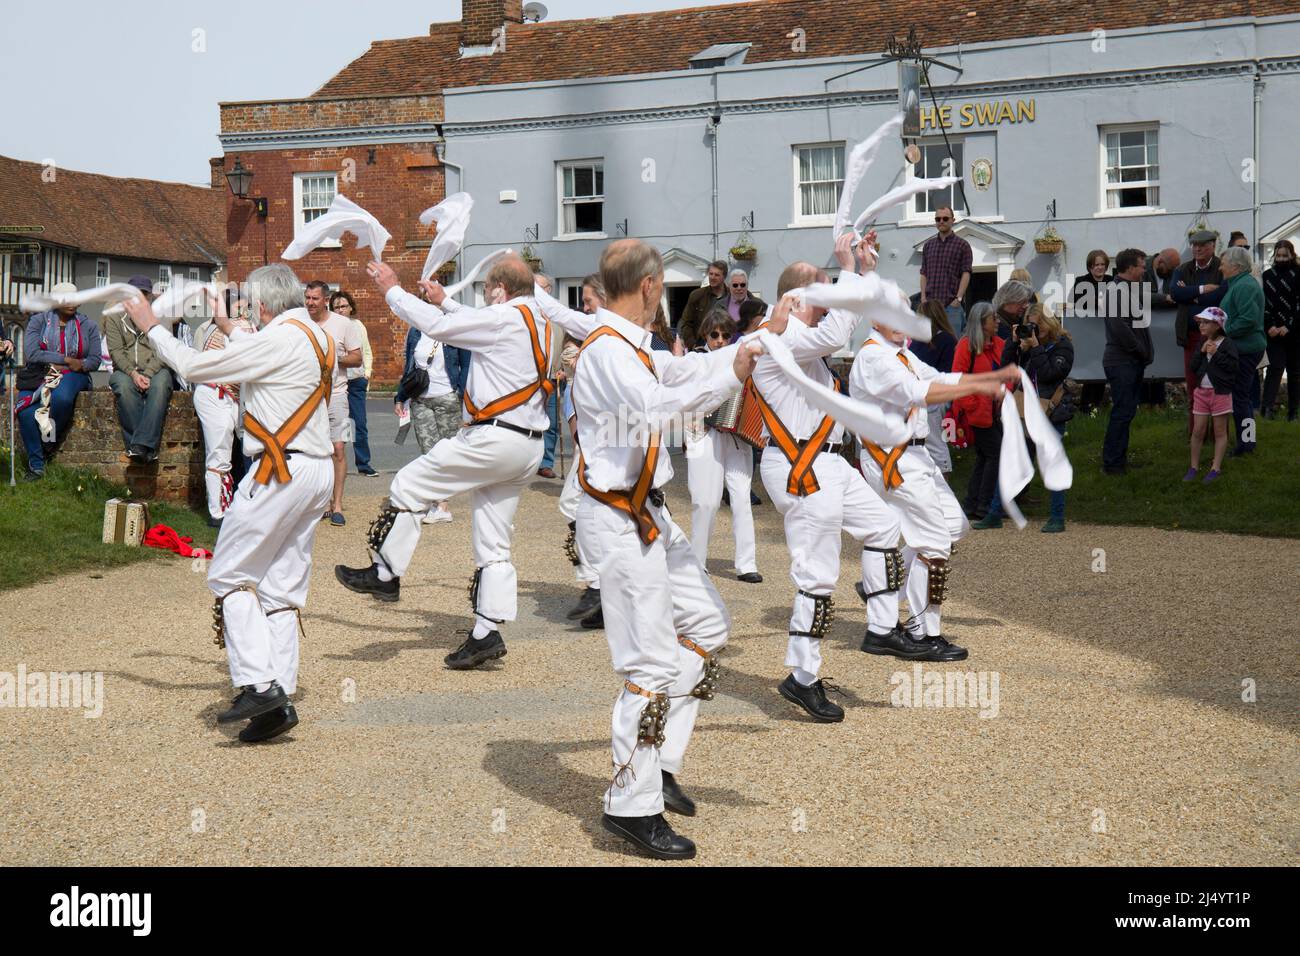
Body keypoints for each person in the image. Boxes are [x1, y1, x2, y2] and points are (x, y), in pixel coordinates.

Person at [570, 237, 759, 860]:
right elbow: (656, 410)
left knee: (706, 623)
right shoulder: (605, 352)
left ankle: (661, 764)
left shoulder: (632, 346)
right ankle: (630, 805)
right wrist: (728, 373)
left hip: (646, 512)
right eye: (663, 287)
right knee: (648, 666)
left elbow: (681, 372)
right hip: (618, 519)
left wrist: (748, 347)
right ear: (650, 285)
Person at [336, 255, 596, 670]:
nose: (487, 298)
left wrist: (391, 289)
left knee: (409, 484)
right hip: (526, 445)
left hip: (493, 438)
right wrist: (446, 301)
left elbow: (441, 328)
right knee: (494, 541)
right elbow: (474, 323)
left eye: (488, 291)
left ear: (500, 290)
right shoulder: (544, 322)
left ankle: (385, 573)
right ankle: (485, 632)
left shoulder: (502, 318)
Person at [123, 264, 334, 743]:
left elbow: (196, 368)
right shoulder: (315, 335)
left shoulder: (277, 339)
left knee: (229, 575)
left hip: (277, 470)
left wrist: (151, 326)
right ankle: (279, 693)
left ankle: (259, 685)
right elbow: (255, 347)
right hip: (314, 470)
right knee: (281, 587)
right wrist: (227, 326)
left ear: (261, 306)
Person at [752, 233, 915, 724]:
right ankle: (801, 678)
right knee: (817, 577)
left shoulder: (801, 339)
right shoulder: (778, 335)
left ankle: (882, 628)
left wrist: (863, 268)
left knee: (885, 529)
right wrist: (848, 268)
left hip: (827, 462)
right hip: (800, 467)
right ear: (798, 300)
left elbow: (840, 326)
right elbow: (836, 335)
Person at [852, 293, 1019, 662]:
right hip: (892, 458)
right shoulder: (873, 357)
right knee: (933, 544)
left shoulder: (900, 353)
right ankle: (923, 631)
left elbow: (938, 377)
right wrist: (980, 385)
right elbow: (920, 392)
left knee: (953, 526)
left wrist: (991, 376)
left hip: (915, 454)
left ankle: (883, 585)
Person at [684, 310, 760, 584]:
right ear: (705, 334)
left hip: (736, 434)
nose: (720, 340)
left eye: (726, 335)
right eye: (714, 334)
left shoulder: (742, 359)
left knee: (741, 497)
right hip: (702, 431)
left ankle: (746, 563)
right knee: (705, 500)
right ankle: (697, 560)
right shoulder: (695, 360)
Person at [991, 303, 1076, 532]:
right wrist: (1014, 341)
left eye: (1037, 326)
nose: (1033, 330)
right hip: (1025, 412)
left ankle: (1057, 518)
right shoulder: (1026, 344)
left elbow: (1049, 374)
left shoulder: (1063, 346)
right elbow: (1006, 365)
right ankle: (994, 514)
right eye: (1030, 326)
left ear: (1049, 323)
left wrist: (1036, 348)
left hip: (1051, 413)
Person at [556, 274, 606, 627]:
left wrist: (578, 371)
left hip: (606, 443)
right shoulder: (599, 338)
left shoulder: (607, 339)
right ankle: (601, 587)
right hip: (598, 440)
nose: (584, 308)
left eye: (588, 302)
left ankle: (601, 584)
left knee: (577, 503)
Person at [16, 284, 102, 480]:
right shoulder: (38, 321)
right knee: (26, 412)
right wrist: (65, 359)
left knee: (62, 398)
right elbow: (32, 353)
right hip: (39, 374)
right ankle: (36, 466)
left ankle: (47, 443)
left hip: (74, 375)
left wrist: (80, 364)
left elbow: (95, 360)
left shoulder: (88, 325)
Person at [193, 289, 257, 527]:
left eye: (246, 308)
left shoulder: (243, 327)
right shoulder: (219, 329)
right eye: (239, 308)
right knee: (218, 453)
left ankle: (231, 505)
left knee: (235, 452)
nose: (244, 313)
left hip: (231, 396)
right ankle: (217, 512)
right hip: (213, 392)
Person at [304, 281, 363, 525]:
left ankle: (337, 505)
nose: (309, 303)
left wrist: (332, 359)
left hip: (337, 394)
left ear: (325, 299)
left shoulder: (343, 324)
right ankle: (319, 502)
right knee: (312, 452)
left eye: (314, 298)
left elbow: (357, 358)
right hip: (307, 395)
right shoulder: (301, 323)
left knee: (338, 449)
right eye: (307, 298)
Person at [102, 274, 175, 464]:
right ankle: (145, 448)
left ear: (149, 297)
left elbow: (163, 350)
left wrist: (148, 374)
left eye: (143, 294)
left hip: (156, 368)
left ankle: (138, 446)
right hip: (126, 370)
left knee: (160, 386)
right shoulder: (114, 317)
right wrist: (133, 374)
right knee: (124, 387)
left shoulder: (161, 317)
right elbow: (116, 351)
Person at [399, 321, 461, 525]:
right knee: (428, 451)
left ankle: (442, 504)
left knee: (446, 451)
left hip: (447, 396)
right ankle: (438, 501)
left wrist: (463, 393)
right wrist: (400, 396)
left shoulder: (452, 328)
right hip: (420, 398)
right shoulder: (416, 331)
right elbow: (409, 364)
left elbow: (466, 363)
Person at [1100, 248, 1153, 475]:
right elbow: (1118, 326)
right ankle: (1112, 464)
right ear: (1130, 268)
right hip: (1122, 361)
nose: (1144, 270)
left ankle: (1118, 461)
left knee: (1126, 412)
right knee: (1122, 413)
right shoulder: (1115, 291)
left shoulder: (1126, 290)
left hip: (1129, 361)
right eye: (1142, 266)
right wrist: (1139, 349)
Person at [952, 302, 1005, 523]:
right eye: (994, 318)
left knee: (985, 456)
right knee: (994, 455)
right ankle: (982, 504)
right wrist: (971, 405)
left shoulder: (997, 344)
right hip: (978, 412)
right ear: (982, 323)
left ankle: (974, 503)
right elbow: (958, 378)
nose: (998, 321)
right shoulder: (966, 346)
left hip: (993, 411)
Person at [1171, 231, 1227, 428]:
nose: (1197, 249)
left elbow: (1219, 296)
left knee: (1218, 384)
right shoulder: (1182, 268)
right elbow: (1175, 293)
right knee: (1194, 384)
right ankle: (1196, 433)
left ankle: (1218, 433)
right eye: (1194, 245)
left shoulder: (1222, 267)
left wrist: (1191, 295)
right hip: (1191, 336)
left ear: (1213, 245)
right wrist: (1203, 290)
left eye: (1202, 245)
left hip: (1217, 337)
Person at [1217, 245, 1266, 456]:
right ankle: (1247, 443)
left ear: (1236, 267)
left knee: (1241, 398)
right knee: (1241, 397)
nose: (1220, 268)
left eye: (1223, 264)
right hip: (1242, 348)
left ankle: (1246, 445)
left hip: (1245, 349)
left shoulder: (1244, 285)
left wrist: (1222, 332)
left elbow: (1248, 320)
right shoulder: (1239, 283)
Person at [1184, 307, 1238, 483]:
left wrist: (1216, 355)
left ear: (1217, 325)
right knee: (1198, 430)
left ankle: (1216, 468)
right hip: (1201, 393)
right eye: (1200, 322)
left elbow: (1232, 368)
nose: (1201, 325)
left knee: (1220, 431)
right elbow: (1193, 367)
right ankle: (1193, 466)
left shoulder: (1228, 344)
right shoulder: (1201, 343)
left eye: (1206, 322)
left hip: (1220, 394)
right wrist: (1201, 353)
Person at [330, 290, 377, 478]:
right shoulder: (329, 327)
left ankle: (363, 463)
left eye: (343, 306)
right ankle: (340, 462)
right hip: (337, 381)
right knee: (341, 424)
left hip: (356, 380)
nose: (341, 310)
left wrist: (366, 374)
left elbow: (366, 351)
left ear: (350, 307)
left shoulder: (357, 325)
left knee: (359, 423)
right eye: (336, 307)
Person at [909, 300, 957, 475]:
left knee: (934, 442)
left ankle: (943, 476)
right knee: (931, 442)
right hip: (929, 395)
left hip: (934, 396)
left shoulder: (939, 340)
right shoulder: (937, 340)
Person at [919, 204, 971, 335]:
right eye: (938, 219)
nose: (941, 221)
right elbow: (924, 273)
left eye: (945, 218)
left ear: (953, 220)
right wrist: (923, 298)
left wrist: (958, 299)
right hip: (930, 306)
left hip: (951, 306)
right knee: (928, 344)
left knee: (953, 345)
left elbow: (966, 273)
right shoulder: (928, 246)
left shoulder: (962, 245)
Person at [1262, 240, 1299, 421]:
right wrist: (1270, 326)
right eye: (1279, 255)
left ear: (1292, 255)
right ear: (1274, 256)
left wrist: (1289, 326)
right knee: (1275, 368)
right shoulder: (1267, 276)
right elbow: (1263, 304)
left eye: (1285, 255)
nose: (1282, 258)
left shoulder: (1298, 274)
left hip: (1294, 331)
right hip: (1273, 332)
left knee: (1295, 372)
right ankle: (1267, 409)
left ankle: (1293, 412)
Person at [677, 260, 727, 350]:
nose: (712, 277)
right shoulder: (697, 295)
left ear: (724, 277)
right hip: (702, 345)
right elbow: (686, 322)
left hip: (725, 344)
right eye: (711, 274)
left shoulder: (732, 296)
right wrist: (693, 344)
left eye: (717, 275)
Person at [1072, 250, 1110, 315]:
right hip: (1087, 320)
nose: (1100, 267)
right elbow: (1079, 303)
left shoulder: (1112, 281)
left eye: (1102, 264)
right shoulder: (1080, 281)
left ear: (1106, 266)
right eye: (1096, 265)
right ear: (1090, 267)